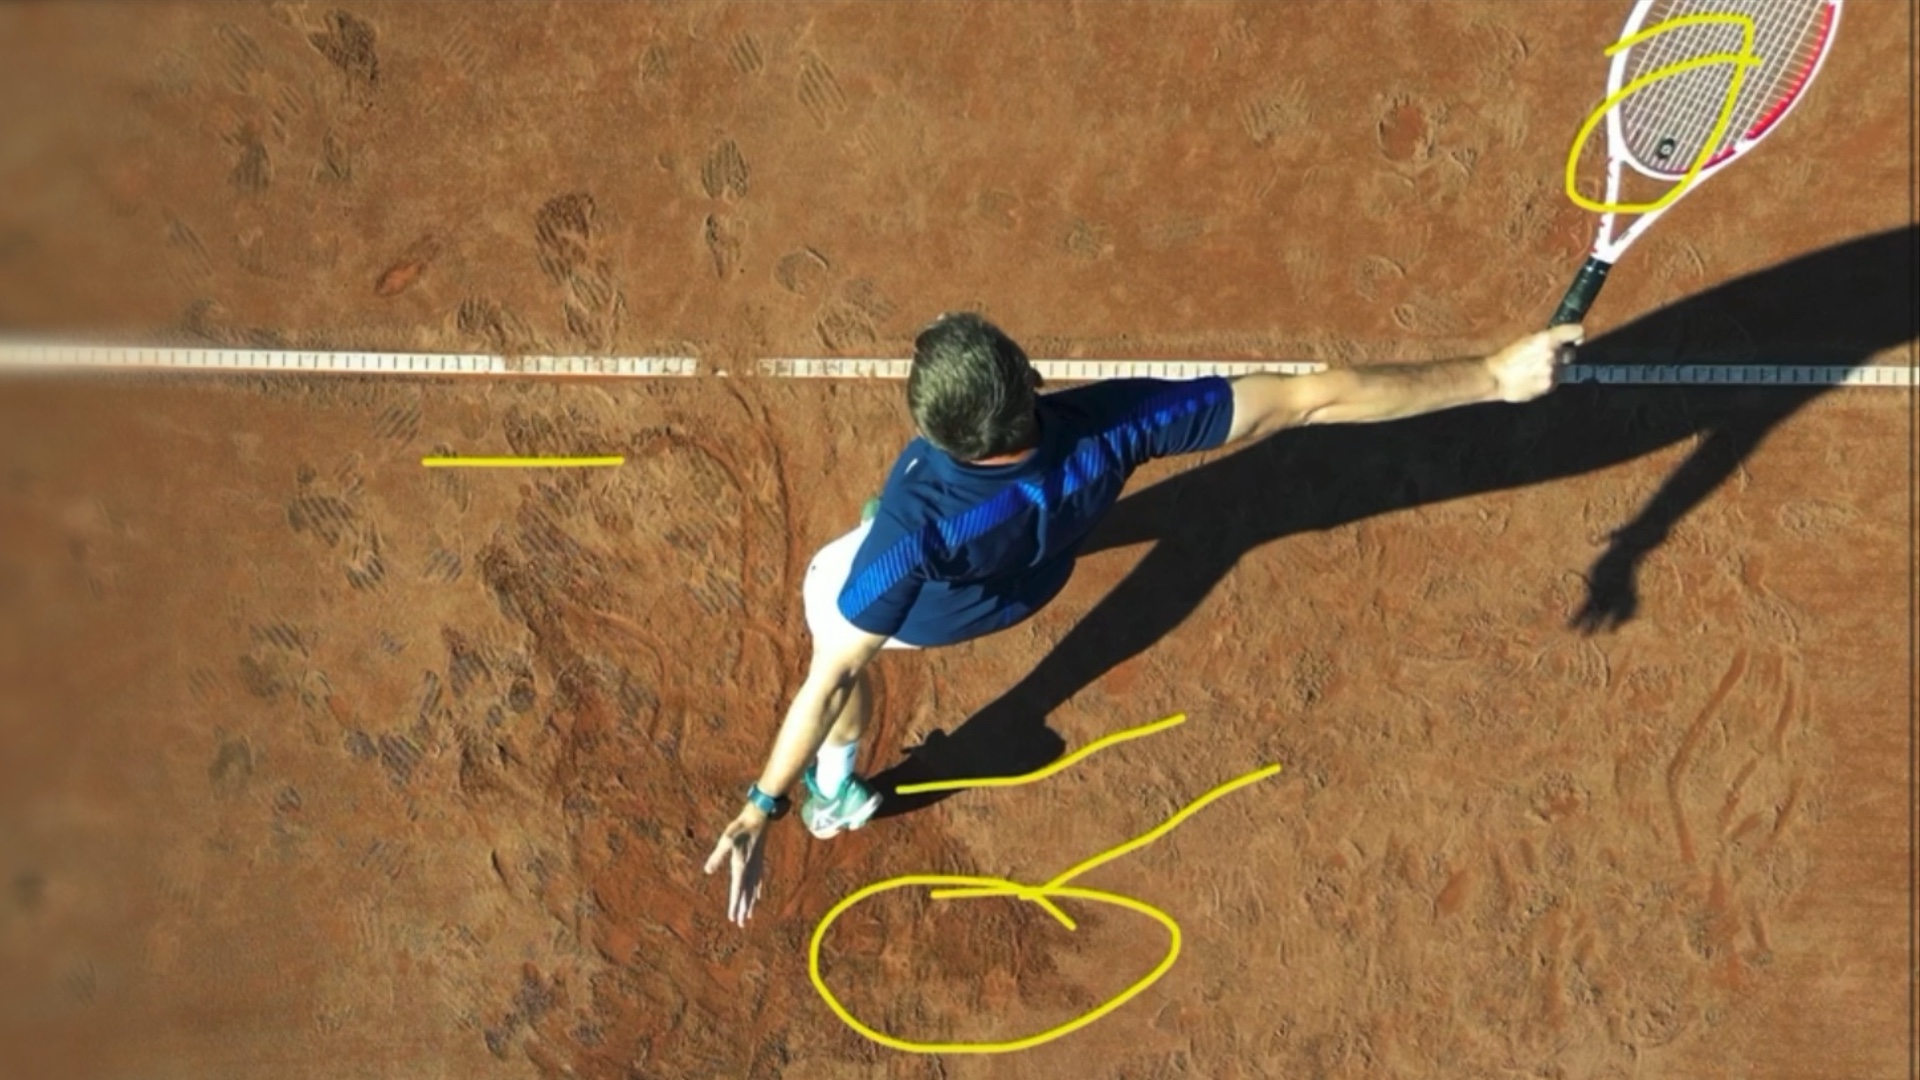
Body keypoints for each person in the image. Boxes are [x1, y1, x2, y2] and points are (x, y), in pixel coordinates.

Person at [704, 312, 1584, 926]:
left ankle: (835, 791)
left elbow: (833, 677)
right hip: (1031, 578)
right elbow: (1310, 395)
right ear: (1032, 384)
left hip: (938, 603)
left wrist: (760, 805)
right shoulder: (1116, 424)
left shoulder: (908, 534)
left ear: (946, 444)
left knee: (841, 621)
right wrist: (1495, 376)